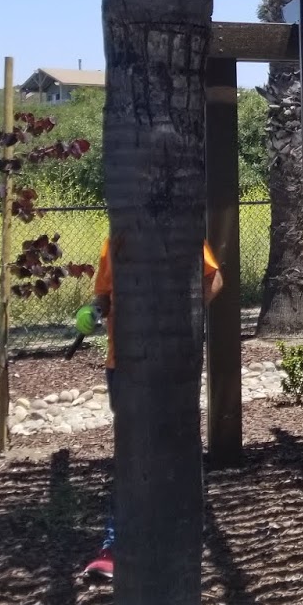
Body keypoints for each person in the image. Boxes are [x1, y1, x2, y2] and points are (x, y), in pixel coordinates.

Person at [84, 238, 222, 582]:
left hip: (168, 367)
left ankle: (164, 539)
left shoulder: (179, 233)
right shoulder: (113, 243)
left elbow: (213, 280)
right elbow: (103, 296)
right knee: (132, 457)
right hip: (122, 368)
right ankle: (116, 548)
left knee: (166, 454)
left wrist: (179, 321)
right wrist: (96, 312)